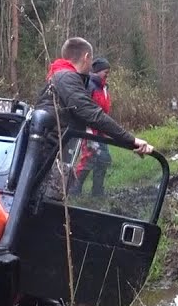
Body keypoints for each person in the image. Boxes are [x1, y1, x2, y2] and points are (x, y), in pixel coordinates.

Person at [36, 38, 153, 198]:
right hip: (47, 153)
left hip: (54, 151)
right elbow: (93, 114)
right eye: (90, 59)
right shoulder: (66, 78)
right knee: (44, 199)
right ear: (86, 57)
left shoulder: (63, 76)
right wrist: (131, 140)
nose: (91, 65)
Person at [74, 57, 113, 197]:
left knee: (104, 158)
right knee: (88, 158)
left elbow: (104, 110)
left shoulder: (104, 87)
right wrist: (88, 131)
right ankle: (74, 190)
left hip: (101, 130)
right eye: (105, 71)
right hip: (89, 130)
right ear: (97, 71)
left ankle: (97, 192)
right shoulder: (89, 85)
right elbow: (84, 110)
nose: (107, 74)